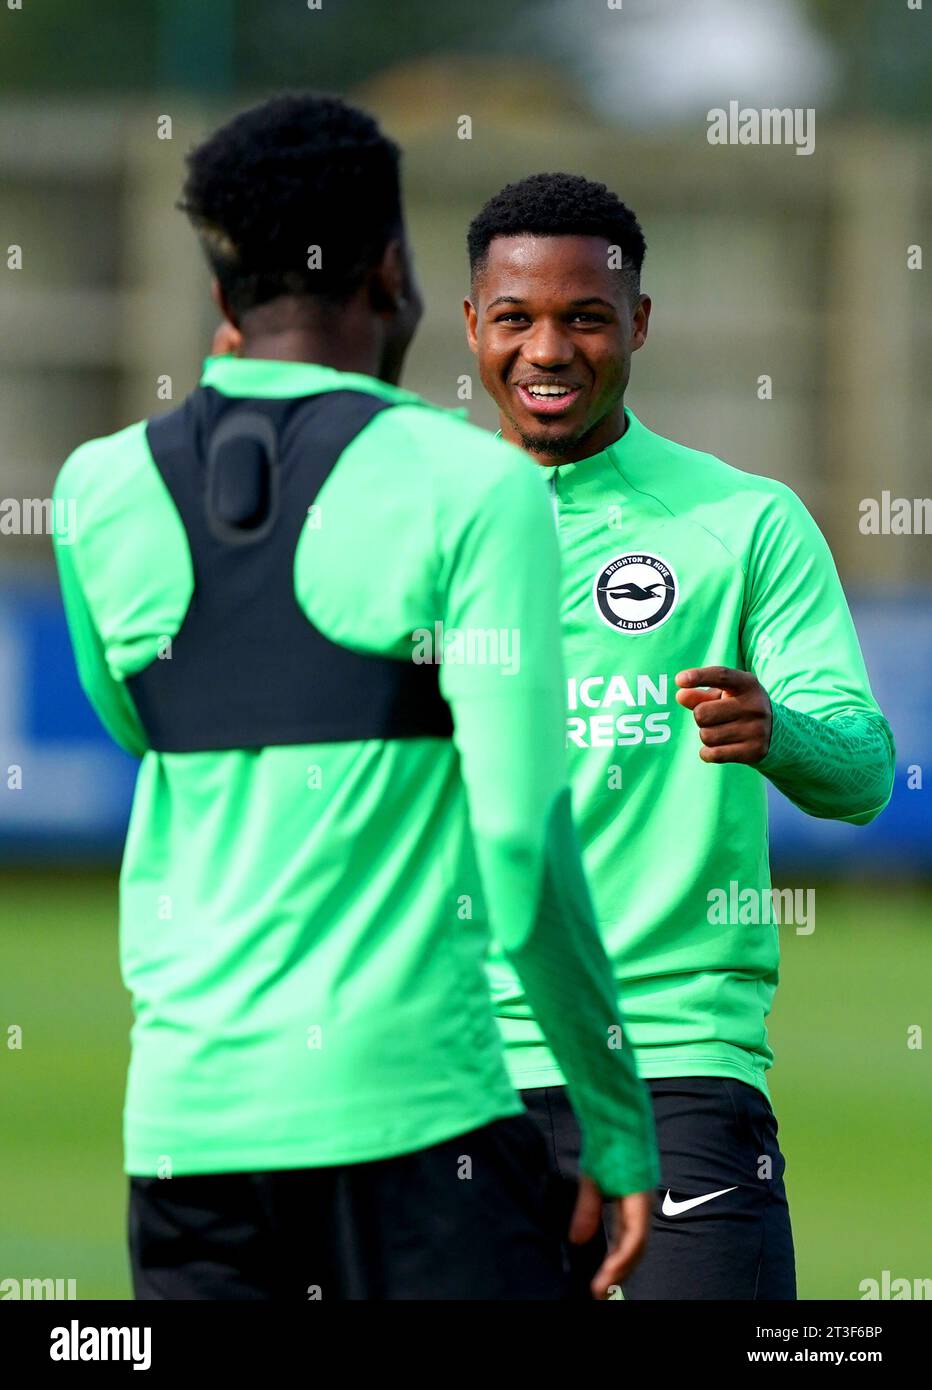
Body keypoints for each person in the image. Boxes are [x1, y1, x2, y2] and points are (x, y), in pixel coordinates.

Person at [51, 100, 658, 1301]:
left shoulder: (97, 485)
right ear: (391, 267)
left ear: (224, 286)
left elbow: (138, 730)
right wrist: (612, 1114)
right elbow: (520, 837)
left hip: (188, 1136)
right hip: (418, 1123)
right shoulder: (474, 487)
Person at [464, 172, 896, 1300]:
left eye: (584, 318)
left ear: (638, 324)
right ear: (471, 325)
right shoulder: (417, 533)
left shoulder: (741, 521)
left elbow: (861, 774)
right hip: (454, 1073)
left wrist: (777, 730)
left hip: (674, 1066)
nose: (546, 350)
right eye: (514, 318)